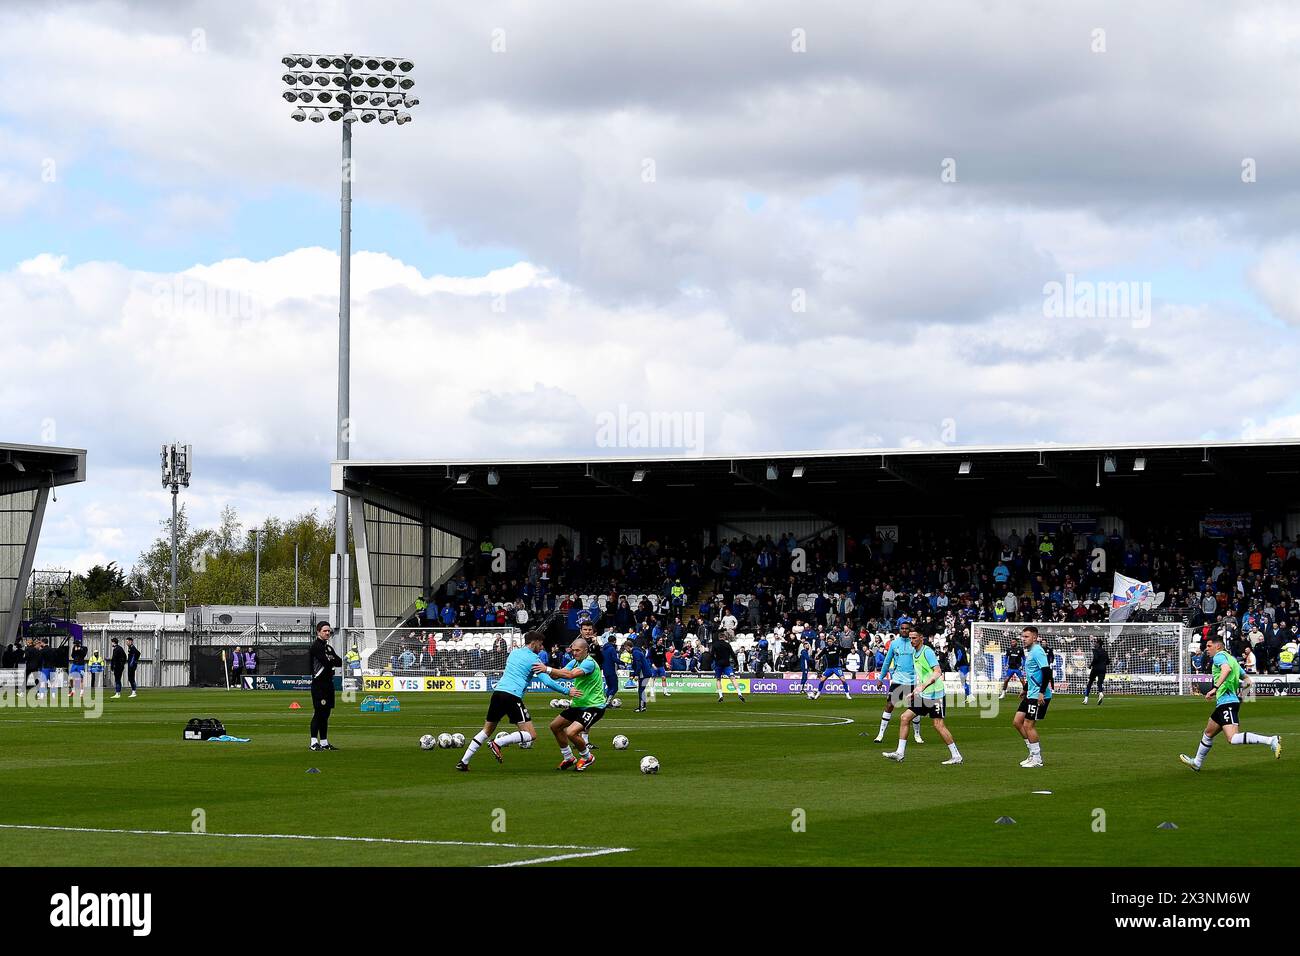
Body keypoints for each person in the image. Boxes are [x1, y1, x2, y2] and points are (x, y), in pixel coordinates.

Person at [457, 630, 561, 771]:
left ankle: (463, 762)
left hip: (498, 693)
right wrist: (568, 691)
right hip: (512, 696)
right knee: (531, 734)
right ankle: (498, 743)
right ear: (534, 642)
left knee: (486, 730)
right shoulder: (534, 659)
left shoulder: (513, 653)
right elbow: (547, 682)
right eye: (540, 644)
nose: (541, 647)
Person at [1179, 634, 1281, 771]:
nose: (1207, 649)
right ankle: (1197, 762)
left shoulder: (1219, 656)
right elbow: (1249, 682)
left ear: (1218, 646)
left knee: (1232, 738)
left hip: (1226, 702)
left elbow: (1226, 670)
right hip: (1226, 702)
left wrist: (1215, 688)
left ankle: (1271, 740)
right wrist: (1240, 699)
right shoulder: (1232, 659)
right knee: (1208, 733)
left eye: (1209, 646)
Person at [883, 629, 962, 765]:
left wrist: (923, 686)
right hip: (923, 695)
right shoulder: (915, 653)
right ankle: (900, 753)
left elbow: (937, 672)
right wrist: (916, 691)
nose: (911, 640)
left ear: (921, 638)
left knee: (938, 725)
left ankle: (956, 755)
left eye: (914, 638)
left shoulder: (927, 652)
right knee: (904, 717)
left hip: (936, 695)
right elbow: (922, 674)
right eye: (910, 638)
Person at [535, 636, 607, 771]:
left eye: (578, 650)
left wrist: (547, 669)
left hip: (594, 706)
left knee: (571, 732)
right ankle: (568, 757)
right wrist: (541, 668)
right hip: (578, 704)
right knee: (555, 726)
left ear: (586, 650)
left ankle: (587, 757)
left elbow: (570, 675)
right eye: (573, 650)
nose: (574, 653)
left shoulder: (589, 663)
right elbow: (559, 674)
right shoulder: (574, 662)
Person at [875, 628, 923, 744]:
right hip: (897, 680)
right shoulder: (894, 643)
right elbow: (887, 661)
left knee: (915, 708)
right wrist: (881, 678)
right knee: (890, 705)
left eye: (907, 628)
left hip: (912, 680)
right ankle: (880, 734)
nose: (904, 630)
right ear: (900, 630)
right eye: (902, 628)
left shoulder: (915, 644)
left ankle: (917, 734)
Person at [1013, 626, 1051, 768]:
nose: (1023, 639)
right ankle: (1031, 753)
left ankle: (1037, 758)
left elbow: (1047, 673)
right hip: (1030, 693)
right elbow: (1033, 675)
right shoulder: (1030, 652)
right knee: (1017, 722)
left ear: (1034, 638)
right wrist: (1025, 689)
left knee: (1028, 725)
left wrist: (1041, 692)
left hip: (1038, 695)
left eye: (1026, 636)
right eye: (1022, 636)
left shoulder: (1038, 651)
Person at [309, 622, 343, 751]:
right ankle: (313, 742)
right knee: (319, 713)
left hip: (329, 684)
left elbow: (339, 662)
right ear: (318, 632)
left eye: (329, 631)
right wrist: (331, 660)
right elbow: (326, 662)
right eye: (325, 631)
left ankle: (324, 742)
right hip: (319, 684)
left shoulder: (328, 648)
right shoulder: (316, 646)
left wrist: (331, 660)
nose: (327, 633)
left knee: (326, 713)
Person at [711, 629, 745, 703]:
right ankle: (739, 693)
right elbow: (733, 654)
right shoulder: (727, 645)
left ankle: (720, 695)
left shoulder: (715, 645)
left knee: (718, 679)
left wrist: (715, 660)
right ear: (724, 637)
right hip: (727, 664)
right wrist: (736, 663)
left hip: (718, 664)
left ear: (719, 637)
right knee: (732, 678)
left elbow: (711, 655)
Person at [1082, 637, 1109, 705]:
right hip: (1103, 669)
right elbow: (1108, 662)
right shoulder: (1105, 652)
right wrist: (1103, 663)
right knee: (1099, 683)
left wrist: (1091, 665)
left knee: (1090, 683)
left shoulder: (1095, 650)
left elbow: (1095, 659)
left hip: (1096, 668)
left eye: (1096, 642)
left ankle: (1086, 699)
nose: (1095, 643)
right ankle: (1100, 693)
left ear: (1098, 644)